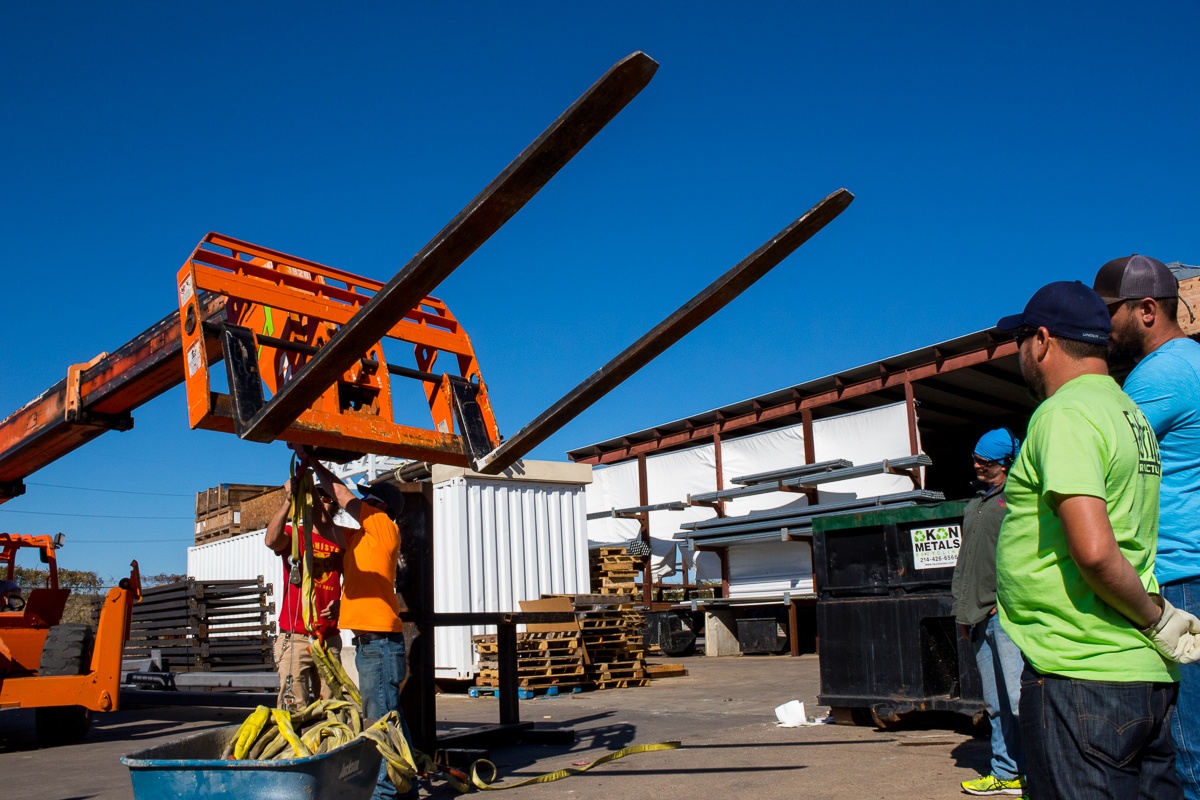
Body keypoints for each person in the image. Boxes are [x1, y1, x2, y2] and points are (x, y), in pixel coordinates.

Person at [994, 280, 1200, 800]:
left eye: (1021, 341)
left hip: (1080, 672)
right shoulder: (1130, 416)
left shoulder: (1065, 413)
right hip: (1143, 675)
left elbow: (1094, 549)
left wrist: (1158, 617)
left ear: (1041, 341)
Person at [1094, 254, 1200, 798]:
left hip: (1181, 575)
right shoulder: (1193, 364)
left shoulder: (1159, 376)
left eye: (1109, 313)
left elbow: (1102, 452)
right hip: (1192, 570)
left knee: (1185, 754)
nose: (1102, 327)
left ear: (1147, 310)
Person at [291, 444, 411, 800]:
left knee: (380, 722)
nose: (363, 505)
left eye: (368, 501)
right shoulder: (360, 538)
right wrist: (304, 489)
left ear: (380, 507)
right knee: (389, 715)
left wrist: (313, 461)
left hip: (380, 643)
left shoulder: (384, 527)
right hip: (368, 644)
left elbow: (342, 494)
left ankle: (384, 794)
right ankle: (406, 780)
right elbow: (324, 528)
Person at [951, 429, 1024, 796]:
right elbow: (967, 562)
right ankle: (1006, 772)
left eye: (986, 461)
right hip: (977, 617)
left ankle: (1037, 775)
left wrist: (1005, 599)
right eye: (976, 459)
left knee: (1018, 701)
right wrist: (963, 613)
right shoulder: (977, 504)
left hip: (1006, 616)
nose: (977, 465)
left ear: (1007, 463)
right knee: (995, 704)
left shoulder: (1018, 499)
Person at [264, 479, 344, 710]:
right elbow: (271, 540)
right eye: (315, 498)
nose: (321, 503)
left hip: (327, 637)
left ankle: (328, 745)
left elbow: (353, 584)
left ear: (334, 507)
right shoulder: (294, 534)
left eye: (327, 499)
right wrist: (288, 501)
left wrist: (342, 604)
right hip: (295, 636)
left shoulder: (340, 541)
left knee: (331, 705)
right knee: (292, 705)